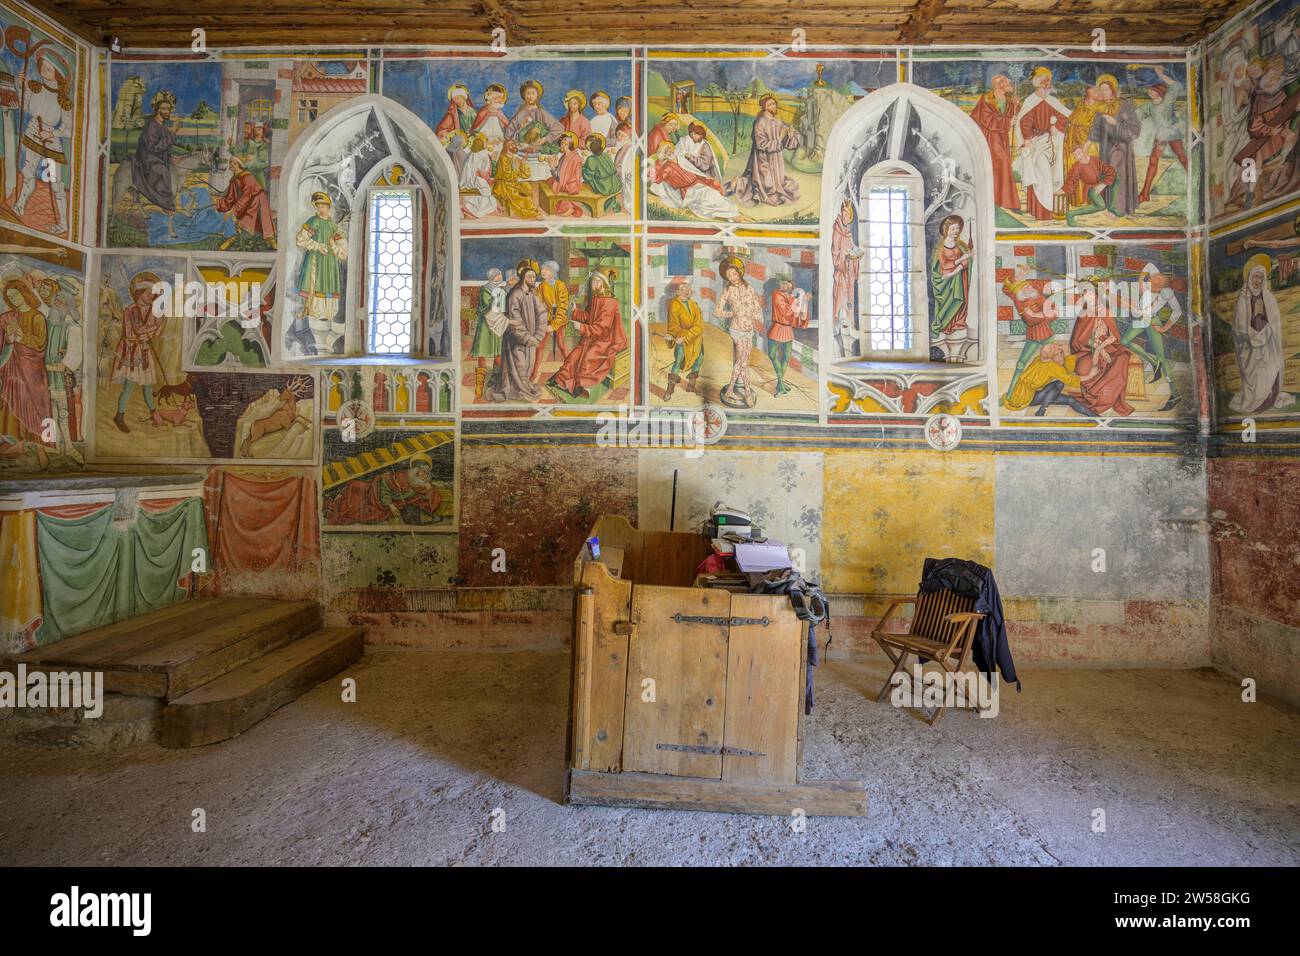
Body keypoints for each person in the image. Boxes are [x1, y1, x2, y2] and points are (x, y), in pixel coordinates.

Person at [11, 50, 73, 233]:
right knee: (28, 172)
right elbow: (24, 105)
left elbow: (68, 129)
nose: (45, 71)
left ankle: (63, 224)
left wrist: (53, 134)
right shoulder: (35, 87)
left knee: (56, 183)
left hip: (50, 141)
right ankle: (19, 206)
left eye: (49, 68)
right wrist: (19, 84)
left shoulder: (64, 100)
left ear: (58, 74)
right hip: (32, 134)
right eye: (43, 67)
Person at [1229, 254, 1296, 413]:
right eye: (1255, 277)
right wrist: (1255, 314)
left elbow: (1275, 323)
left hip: (1268, 344)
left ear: (1264, 279)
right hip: (1250, 349)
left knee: (1272, 368)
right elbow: (1239, 329)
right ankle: (1256, 401)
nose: (1257, 280)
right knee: (1255, 376)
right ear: (1249, 278)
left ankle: (1269, 398)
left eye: (1260, 277)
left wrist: (1263, 316)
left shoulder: (1269, 297)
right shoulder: (1243, 298)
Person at [549, 269, 626, 399]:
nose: (593, 284)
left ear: (604, 283)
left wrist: (581, 327)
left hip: (605, 340)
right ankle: (560, 380)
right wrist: (575, 311)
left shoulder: (610, 302)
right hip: (591, 336)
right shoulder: (597, 298)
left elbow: (602, 329)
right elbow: (588, 316)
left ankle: (583, 387)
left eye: (597, 281)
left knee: (589, 357)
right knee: (574, 356)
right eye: (593, 281)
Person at [292, 191, 348, 355]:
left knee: (328, 287)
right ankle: (314, 315)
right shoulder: (313, 221)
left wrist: (335, 245)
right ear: (315, 208)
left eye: (325, 206)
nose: (322, 209)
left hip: (329, 263)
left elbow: (343, 249)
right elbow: (300, 239)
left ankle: (327, 316)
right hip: (316, 260)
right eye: (319, 206)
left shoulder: (332, 225)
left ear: (329, 207)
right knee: (315, 286)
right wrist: (317, 246)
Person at [108, 272, 164, 433]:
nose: (153, 296)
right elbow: (139, 330)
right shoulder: (131, 310)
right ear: (140, 293)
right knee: (129, 387)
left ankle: (154, 413)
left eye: (155, 294)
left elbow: (156, 334)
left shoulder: (153, 310)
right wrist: (156, 325)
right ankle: (119, 416)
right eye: (149, 293)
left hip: (145, 350)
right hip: (131, 352)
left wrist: (158, 327)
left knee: (148, 385)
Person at [1068, 279, 1133, 416]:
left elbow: (1114, 336)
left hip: (1108, 346)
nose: (1085, 296)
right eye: (1084, 294)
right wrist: (1094, 347)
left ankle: (1106, 398)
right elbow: (1078, 338)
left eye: (1089, 293)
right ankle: (1092, 397)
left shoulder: (1105, 311)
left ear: (1096, 295)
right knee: (1083, 367)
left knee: (1120, 360)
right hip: (1086, 349)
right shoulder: (1084, 313)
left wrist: (1100, 348)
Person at [1123, 262, 1182, 411]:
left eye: (1154, 280)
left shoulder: (1166, 294)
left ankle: (1175, 394)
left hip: (1152, 321)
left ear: (1160, 286)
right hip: (1142, 320)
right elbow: (1149, 266)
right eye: (1153, 277)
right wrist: (1141, 280)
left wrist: (1164, 328)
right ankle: (1153, 363)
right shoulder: (1152, 279)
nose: (1152, 278)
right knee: (1124, 341)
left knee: (1162, 357)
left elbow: (1177, 312)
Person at [1014, 67, 1070, 220]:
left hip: (1050, 143)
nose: (1048, 84)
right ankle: (1041, 212)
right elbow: (1024, 121)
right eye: (1045, 81)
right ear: (1038, 83)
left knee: (1047, 176)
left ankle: (1045, 212)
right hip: (1035, 143)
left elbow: (1065, 117)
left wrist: (1055, 126)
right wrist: (1027, 140)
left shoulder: (1052, 101)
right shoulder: (1031, 101)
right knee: (1039, 174)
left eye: (1049, 81)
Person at [324, 454, 443, 526]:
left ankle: (335, 505)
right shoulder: (402, 476)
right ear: (415, 470)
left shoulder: (422, 485)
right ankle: (333, 506)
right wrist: (391, 505)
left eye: (427, 472)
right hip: (375, 493)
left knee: (359, 506)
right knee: (353, 486)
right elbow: (384, 483)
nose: (424, 474)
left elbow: (431, 499)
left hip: (382, 505)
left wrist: (428, 487)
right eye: (422, 471)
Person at [0, 278, 51, 445]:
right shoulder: (6, 317)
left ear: (24, 293)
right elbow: (3, 342)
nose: (13, 299)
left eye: (15, 294)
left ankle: (43, 443)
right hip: (11, 368)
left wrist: (22, 337)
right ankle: (14, 442)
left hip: (32, 370)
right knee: (11, 401)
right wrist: (7, 338)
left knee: (39, 404)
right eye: (9, 297)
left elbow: (41, 344)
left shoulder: (37, 317)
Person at [726, 93, 801, 206]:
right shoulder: (759, 122)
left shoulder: (778, 122)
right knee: (766, 184)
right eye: (770, 104)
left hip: (776, 159)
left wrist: (790, 135)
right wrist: (780, 138)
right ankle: (739, 182)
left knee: (778, 183)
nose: (773, 106)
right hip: (762, 158)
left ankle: (744, 182)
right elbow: (761, 144)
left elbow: (786, 140)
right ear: (764, 106)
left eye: (774, 104)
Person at [491, 259, 548, 402]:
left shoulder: (533, 294)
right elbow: (514, 320)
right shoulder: (515, 294)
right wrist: (528, 338)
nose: (532, 279)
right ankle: (516, 390)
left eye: (534, 277)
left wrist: (538, 335)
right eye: (529, 276)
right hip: (515, 340)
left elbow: (542, 313)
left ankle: (524, 386)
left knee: (528, 364)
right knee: (519, 365)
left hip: (532, 338)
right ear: (523, 277)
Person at [39, 276, 82, 462]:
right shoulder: (50, 321)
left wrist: (52, 367)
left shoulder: (73, 328)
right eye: (56, 300)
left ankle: (69, 447)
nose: (58, 303)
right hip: (45, 376)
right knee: (50, 412)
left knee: (63, 413)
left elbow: (73, 358)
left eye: (62, 301)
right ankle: (54, 446)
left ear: (69, 304)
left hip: (59, 377)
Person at [1002, 341, 1103, 416]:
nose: (1054, 348)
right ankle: (1042, 410)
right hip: (1028, 398)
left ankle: (1095, 417)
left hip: (1022, 395)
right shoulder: (1053, 367)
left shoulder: (1038, 359)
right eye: (1051, 349)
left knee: (1070, 400)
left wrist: (1063, 356)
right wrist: (1089, 376)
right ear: (1051, 356)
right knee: (1060, 384)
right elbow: (1070, 379)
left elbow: (1064, 373)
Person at [1002, 263, 1057, 399]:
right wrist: (1019, 275)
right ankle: (1010, 396)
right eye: (1022, 287)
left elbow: (1054, 313)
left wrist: (1041, 313)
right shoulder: (1018, 299)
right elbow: (1030, 319)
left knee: (1054, 362)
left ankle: (1051, 393)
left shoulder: (1037, 295)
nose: (1026, 288)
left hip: (1047, 333)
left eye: (1027, 285)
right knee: (1021, 364)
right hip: (1033, 334)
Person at [649, 140, 738, 220]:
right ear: (663, 155)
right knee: (709, 195)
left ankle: (731, 212)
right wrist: (653, 169)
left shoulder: (679, 159)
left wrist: (704, 177)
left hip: (697, 183)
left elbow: (693, 170)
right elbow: (657, 180)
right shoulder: (667, 167)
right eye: (666, 152)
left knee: (713, 190)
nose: (670, 152)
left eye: (670, 150)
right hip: (689, 190)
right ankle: (729, 213)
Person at [1091, 75, 1141, 217]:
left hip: (1122, 148)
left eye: (1107, 89)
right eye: (1102, 90)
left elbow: (1135, 130)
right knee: (1108, 173)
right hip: (1106, 148)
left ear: (1113, 89)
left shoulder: (1125, 106)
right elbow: (1095, 131)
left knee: (1117, 174)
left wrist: (1115, 123)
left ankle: (1119, 209)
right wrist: (1086, 145)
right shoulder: (1100, 108)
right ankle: (1109, 207)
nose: (1104, 93)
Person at [1138, 65, 1188, 205]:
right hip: (1160, 137)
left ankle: (1193, 180)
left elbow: (1176, 86)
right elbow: (1137, 115)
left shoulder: (1167, 101)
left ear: (1158, 92)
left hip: (1172, 134)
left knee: (1183, 158)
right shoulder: (1149, 106)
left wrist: (1161, 75)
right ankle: (1145, 193)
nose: (1149, 92)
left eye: (1152, 90)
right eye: (1149, 90)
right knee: (1153, 161)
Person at [970, 74, 1020, 210]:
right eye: (1007, 82)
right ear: (1000, 85)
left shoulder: (1007, 99)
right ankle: (1005, 201)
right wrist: (1008, 122)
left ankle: (1001, 200)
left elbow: (1011, 116)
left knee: (1003, 164)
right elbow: (987, 120)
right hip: (990, 137)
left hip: (1001, 137)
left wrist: (1016, 105)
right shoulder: (987, 99)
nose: (1010, 83)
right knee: (1002, 161)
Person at [714, 256, 763, 396]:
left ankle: (730, 390)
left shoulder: (750, 288)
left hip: (749, 330)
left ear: (739, 273)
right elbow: (717, 312)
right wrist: (732, 314)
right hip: (736, 330)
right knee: (743, 363)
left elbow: (757, 308)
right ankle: (747, 392)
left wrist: (755, 316)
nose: (732, 277)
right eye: (729, 276)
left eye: (734, 274)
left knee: (742, 362)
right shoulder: (728, 291)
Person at [930, 214, 973, 360]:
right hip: (946, 283)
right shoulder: (941, 248)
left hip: (959, 280)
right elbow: (944, 266)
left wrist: (962, 265)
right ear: (946, 230)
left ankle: (958, 322)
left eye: (958, 228)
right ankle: (945, 324)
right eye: (953, 228)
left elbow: (967, 262)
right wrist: (960, 262)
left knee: (960, 301)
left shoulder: (960, 245)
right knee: (949, 302)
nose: (955, 231)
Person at [130, 90, 181, 213]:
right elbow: (154, 148)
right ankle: (165, 204)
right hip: (147, 159)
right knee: (163, 171)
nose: (167, 111)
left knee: (172, 168)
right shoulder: (152, 126)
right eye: (164, 108)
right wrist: (173, 132)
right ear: (157, 110)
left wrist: (170, 157)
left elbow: (164, 147)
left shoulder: (162, 126)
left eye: (169, 108)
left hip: (156, 157)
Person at [1064, 79, 1110, 207]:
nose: (1095, 91)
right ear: (1087, 91)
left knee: (1090, 169)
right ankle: (1077, 199)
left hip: (1091, 142)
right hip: (1075, 139)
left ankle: (1092, 199)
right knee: (1075, 168)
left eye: (1096, 89)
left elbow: (1101, 127)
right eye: (1092, 89)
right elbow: (1072, 118)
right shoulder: (1081, 103)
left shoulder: (1102, 106)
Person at [213, 155, 275, 242]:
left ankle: (268, 239)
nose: (231, 164)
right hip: (244, 203)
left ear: (239, 165)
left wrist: (232, 211)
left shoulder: (247, 177)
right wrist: (218, 203)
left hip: (256, 202)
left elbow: (246, 197)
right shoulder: (234, 179)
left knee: (248, 223)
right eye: (230, 162)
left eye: (234, 163)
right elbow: (230, 197)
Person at [767, 276, 809, 396]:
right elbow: (788, 313)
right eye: (783, 282)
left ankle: (780, 384)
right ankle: (780, 382)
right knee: (772, 354)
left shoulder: (791, 298)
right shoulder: (776, 295)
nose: (784, 285)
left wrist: (803, 302)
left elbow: (800, 315)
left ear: (790, 289)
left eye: (787, 285)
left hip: (787, 330)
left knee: (786, 356)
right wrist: (798, 303)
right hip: (777, 328)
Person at [831, 199, 862, 355]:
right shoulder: (837, 230)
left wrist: (855, 258)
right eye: (844, 214)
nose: (846, 218)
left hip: (848, 273)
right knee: (841, 295)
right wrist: (844, 259)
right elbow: (836, 252)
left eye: (848, 216)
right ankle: (841, 320)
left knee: (849, 296)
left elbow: (851, 248)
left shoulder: (848, 233)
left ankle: (848, 321)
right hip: (841, 272)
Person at [663, 280, 704, 399]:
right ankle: (669, 390)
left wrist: (688, 336)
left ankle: (691, 386)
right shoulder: (674, 304)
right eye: (682, 289)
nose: (685, 291)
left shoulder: (694, 304)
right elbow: (673, 323)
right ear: (677, 291)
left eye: (687, 288)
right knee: (678, 360)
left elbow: (699, 325)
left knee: (699, 358)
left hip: (695, 338)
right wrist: (671, 336)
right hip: (681, 337)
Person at [470, 268, 506, 400]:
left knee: (498, 354)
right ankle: (479, 385)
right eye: (498, 275)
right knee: (482, 354)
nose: (500, 276)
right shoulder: (485, 289)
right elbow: (484, 308)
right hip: (485, 326)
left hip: (497, 325)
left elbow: (502, 308)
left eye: (500, 274)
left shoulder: (502, 291)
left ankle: (500, 380)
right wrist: (494, 300)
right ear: (492, 277)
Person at [533, 259, 570, 379]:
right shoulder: (542, 286)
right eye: (542, 269)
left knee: (560, 344)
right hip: (547, 319)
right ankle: (534, 373)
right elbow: (538, 303)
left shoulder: (561, 285)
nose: (542, 271)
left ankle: (571, 368)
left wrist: (553, 326)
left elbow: (562, 307)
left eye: (546, 269)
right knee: (540, 345)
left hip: (559, 320)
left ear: (553, 272)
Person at [1062, 146, 1116, 225]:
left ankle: (1111, 210)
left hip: (1100, 185)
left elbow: (1108, 169)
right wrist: (1064, 190)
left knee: (1115, 179)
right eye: (1075, 155)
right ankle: (1071, 214)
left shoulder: (1094, 159)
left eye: (1079, 153)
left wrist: (1103, 184)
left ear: (1083, 151)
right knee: (1101, 206)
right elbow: (1072, 180)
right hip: (1090, 189)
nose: (1078, 156)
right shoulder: (1077, 166)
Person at [507, 80, 562, 153]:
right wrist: (520, 129)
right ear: (524, 95)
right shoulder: (520, 114)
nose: (530, 96)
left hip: (540, 151)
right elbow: (508, 134)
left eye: (533, 93)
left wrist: (545, 139)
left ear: (537, 95)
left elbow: (559, 128)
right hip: (523, 151)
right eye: (528, 93)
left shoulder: (542, 113)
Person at [492, 139, 543, 219]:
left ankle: (532, 209)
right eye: (511, 145)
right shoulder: (503, 158)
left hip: (514, 182)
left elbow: (525, 175)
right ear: (506, 147)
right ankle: (531, 213)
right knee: (519, 196)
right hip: (504, 184)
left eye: (514, 144)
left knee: (528, 188)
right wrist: (517, 171)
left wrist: (523, 164)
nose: (514, 146)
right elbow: (507, 175)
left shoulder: (515, 158)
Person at [581, 133, 622, 213]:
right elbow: (612, 168)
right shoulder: (605, 154)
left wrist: (582, 167)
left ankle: (601, 206)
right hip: (614, 182)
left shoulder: (591, 159)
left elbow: (588, 176)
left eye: (588, 146)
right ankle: (612, 203)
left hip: (603, 186)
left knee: (586, 183)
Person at [460, 132, 498, 219]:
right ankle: (475, 210)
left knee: (483, 190)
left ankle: (470, 208)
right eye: (485, 142)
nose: (487, 144)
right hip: (477, 179)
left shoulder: (472, 154)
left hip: (469, 179)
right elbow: (483, 172)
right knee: (485, 191)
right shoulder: (483, 154)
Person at [548, 131, 586, 216]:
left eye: (565, 144)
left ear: (570, 145)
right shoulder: (567, 155)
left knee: (552, 184)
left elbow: (561, 179)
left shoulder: (571, 158)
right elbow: (562, 173)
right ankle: (565, 206)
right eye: (562, 143)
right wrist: (556, 166)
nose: (562, 146)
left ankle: (568, 207)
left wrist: (553, 167)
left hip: (571, 186)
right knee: (549, 181)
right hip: (569, 183)